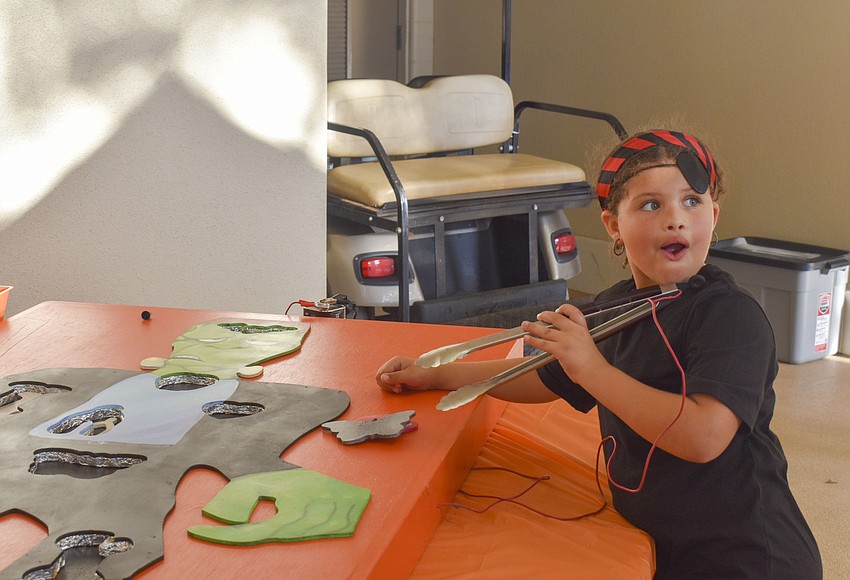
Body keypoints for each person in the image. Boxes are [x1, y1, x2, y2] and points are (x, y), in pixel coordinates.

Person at [375, 130, 822, 579]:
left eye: (692, 201)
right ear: (613, 225)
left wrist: (590, 367)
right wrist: (439, 375)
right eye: (651, 205)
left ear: (714, 214)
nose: (676, 219)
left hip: (748, 559)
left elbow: (703, 437)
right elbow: (544, 374)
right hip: (671, 549)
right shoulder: (617, 305)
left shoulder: (729, 314)